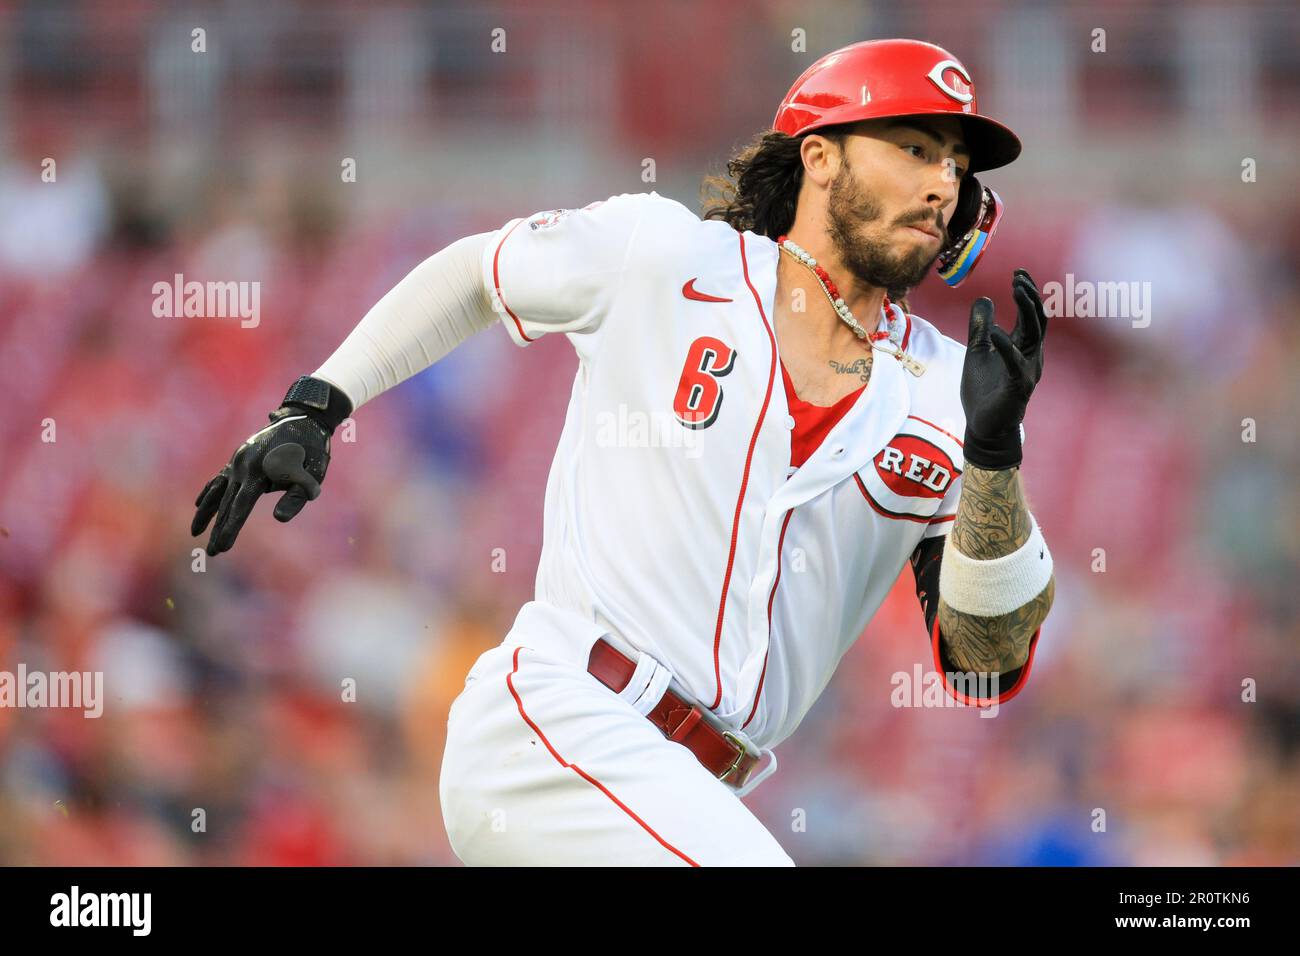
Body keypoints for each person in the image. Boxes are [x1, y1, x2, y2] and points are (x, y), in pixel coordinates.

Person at [191, 39, 1055, 866]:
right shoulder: (667, 255)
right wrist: (317, 403)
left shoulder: (957, 390)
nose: (942, 181)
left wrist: (993, 459)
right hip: (558, 722)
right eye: (913, 145)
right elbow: (477, 274)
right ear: (820, 156)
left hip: (691, 793)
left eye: (955, 164)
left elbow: (985, 667)